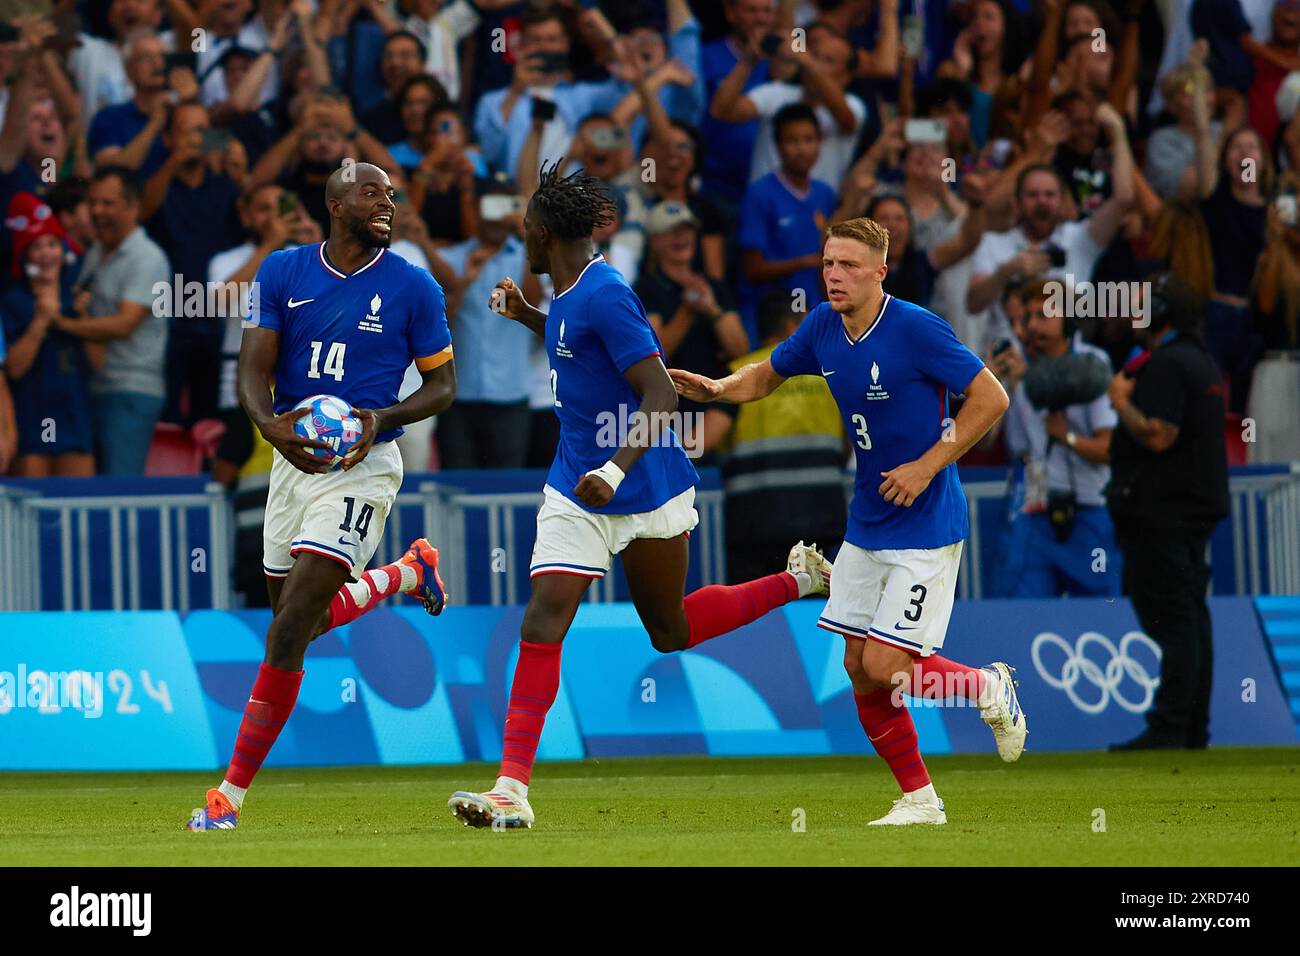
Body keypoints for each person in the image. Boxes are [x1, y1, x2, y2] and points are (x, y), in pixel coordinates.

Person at [447, 163, 832, 830]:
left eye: (525, 233)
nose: (523, 242)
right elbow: (577, 347)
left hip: (643, 483)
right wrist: (527, 316)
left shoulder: (607, 294)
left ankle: (796, 581)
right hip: (575, 484)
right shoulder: (567, 294)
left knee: (670, 630)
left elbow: (659, 391)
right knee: (543, 619)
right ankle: (512, 788)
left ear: (541, 236)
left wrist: (618, 471)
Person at [671, 217, 1025, 827]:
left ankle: (988, 688)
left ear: (881, 271)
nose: (834, 275)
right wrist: (718, 389)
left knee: (890, 667)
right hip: (867, 522)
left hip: (926, 523)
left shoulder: (916, 328)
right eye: (829, 263)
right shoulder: (822, 328)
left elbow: (992, 397)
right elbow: (768, 373)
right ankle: (920, 799)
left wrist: (926, 465)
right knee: (860, 671)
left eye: (849, 265)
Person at [185, 162, 458, 831]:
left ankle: (228, 798)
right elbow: (252, 368)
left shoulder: (415, 287)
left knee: (288, 630)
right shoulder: (282, 271)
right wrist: (270, 427)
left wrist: (379, 420)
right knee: (294, 624)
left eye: (393, 195)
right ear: (336, 205)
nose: (388, 203)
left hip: (365, 465)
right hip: (292, 461)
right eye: (373, 193)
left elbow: (443, 386)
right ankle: (406, 573)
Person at [1107, 271, 1229, 751]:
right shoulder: (1200, 362)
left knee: (1174, 620)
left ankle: (1170, 726)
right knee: (1191, 617)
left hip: (1162, 512)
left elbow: (1158, 434)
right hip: (1189, 510)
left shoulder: (1166, 365)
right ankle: (1191, 727)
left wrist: (1121, 404)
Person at [704, 290, 847, 583]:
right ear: (791, 328)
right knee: (820, 616)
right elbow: (849, 441)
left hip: (755, 523)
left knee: (756, 614)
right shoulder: (830, 373)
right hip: (822, 515)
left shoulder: (736, 375)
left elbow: (702, 441)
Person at [1002, 278, 1120, 597]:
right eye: (1028, 317)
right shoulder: (1023, 371)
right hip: (1037, 511)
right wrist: (1006, 387)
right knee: (1025, 614)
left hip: (1089, 509)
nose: (1033, 325)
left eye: (1044, 314)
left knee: (1101, 614)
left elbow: (1110, 448)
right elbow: (1018, 446)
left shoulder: (1092, 364)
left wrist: (1066, 437)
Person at [57, 166, 170, 475]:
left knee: (121, 486)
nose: (96, 211)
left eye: (107, 203)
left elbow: (124, 323)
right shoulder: (96, 251)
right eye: (92, 202)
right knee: (99, 488)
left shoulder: (147, 257)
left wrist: (65, 325)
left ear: (132, 206)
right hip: (95, 385)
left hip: (131, 390)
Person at [426, 180, 538, 469]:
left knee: (506, 488)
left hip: (510, 394)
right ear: (476, 210)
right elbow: (437, 324)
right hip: (458, 396)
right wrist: (464, 281)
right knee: (458, 487)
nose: (498, 216)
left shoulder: (527, 259)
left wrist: (528, 236)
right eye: (491, 206)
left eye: (507, 206)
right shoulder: (452, 259)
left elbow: (535, 302)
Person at [0, 192, 94, 477]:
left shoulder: (76, 297)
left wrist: (84, 319)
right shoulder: (12, 302)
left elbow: (99, 363)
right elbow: (13, 369)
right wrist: (40, 323)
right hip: (32, 420)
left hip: (75, 419)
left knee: (80, 511)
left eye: (52, 244)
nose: (46, 254)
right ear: (24, 256)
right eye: (36, 247)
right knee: (34, 510)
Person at [738, 103, 838, 341]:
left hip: (813, 312)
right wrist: (805, 261)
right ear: (778, 146)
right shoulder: (760, 194)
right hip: (767, 316)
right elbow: (752, 269)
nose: (801, 149)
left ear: (819, 143)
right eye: (792, 141)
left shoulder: (826, 194)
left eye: (808, 139)